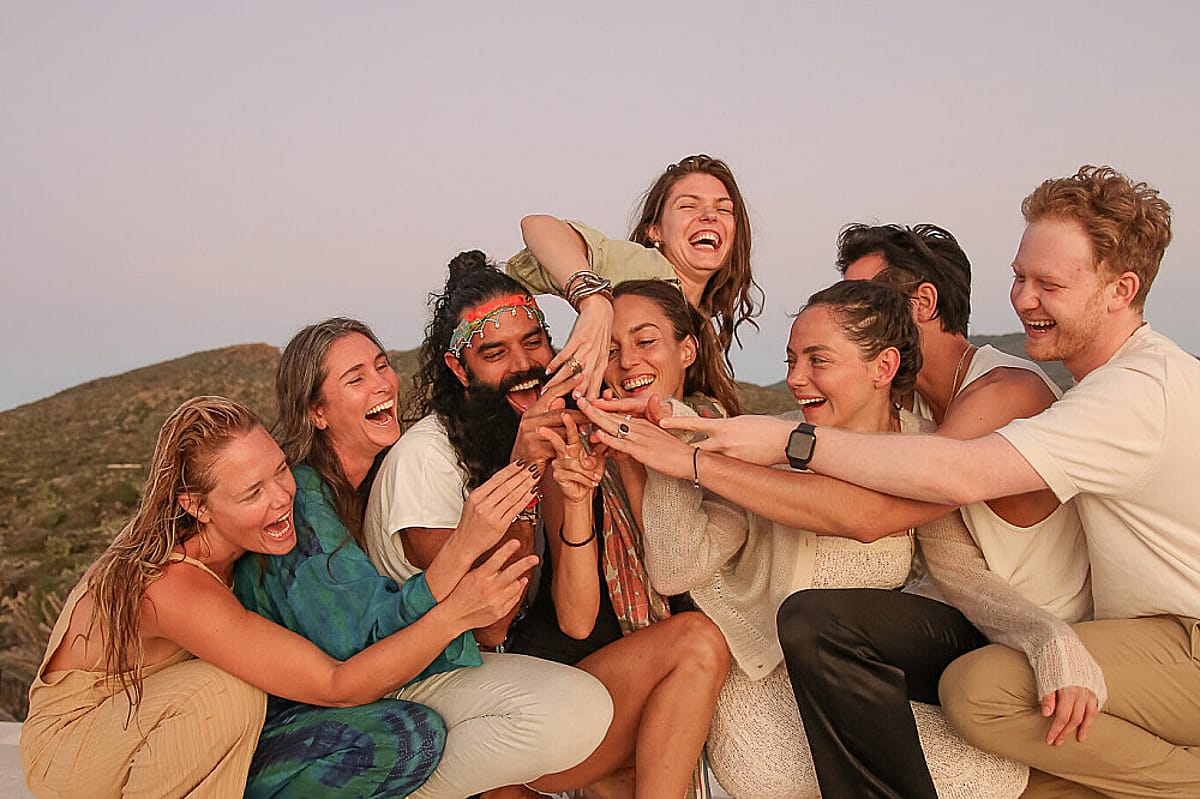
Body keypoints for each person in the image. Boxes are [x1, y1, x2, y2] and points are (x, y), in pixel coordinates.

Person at [666, 166, 1200, 798]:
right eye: (1018, 276)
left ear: (1121, 290)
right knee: (830, 628)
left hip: (1174, 638)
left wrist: (780, 445)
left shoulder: (1112, 391)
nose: (1023, 298)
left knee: (979, 696)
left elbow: (931, 484)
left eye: (1048, 283)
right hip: (1103, 633)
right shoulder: (946, 408)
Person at [581, 280, 1028, 798]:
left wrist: (1047, 642)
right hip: (765, 690)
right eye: (791, 359)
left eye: (817, 360)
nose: (794, 379)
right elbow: (679, 568)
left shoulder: (922, 452)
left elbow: (963, 576)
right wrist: (673, 443)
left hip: (862, 690)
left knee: (994, 774)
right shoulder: (759, 440)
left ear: (882, 369)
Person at [366, 260, 729, 798]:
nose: (524, 365)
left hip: (538, 679)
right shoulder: (430, 458)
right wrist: (530, 472)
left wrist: (596, 304)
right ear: (458, 368)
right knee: (696, 648)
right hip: (445, 693)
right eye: (494, 353)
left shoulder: (580, 429)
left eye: (534, 342)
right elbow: (486, 627)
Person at [767, 223, 1096, 798]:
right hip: (975, 617)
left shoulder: (1006, 389)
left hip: (1021, 629)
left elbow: (872, 515)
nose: (849, 313)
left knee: (818, 622)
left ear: (922, 302)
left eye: (866, 299)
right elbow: (951, 560)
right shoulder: (916, 407)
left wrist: (752, 450)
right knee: (814, 626)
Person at [234, 318, 612, 799]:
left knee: (576, 708)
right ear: (317, 412)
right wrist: (467, 544)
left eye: (381, 365)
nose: (381, 383)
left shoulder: (360, 482)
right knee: (564, 711)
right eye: (356, 379)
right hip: (314, 731)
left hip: (374, 696)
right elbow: (362, 646)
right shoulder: (302, 499)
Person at [19, 396, 449, 798]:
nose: (281, 498)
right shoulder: (171, 584)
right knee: (227, 693)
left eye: (280, 471)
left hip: (156, 725)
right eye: (252, 493)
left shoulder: (241, 542)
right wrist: (452, 616)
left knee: (407, 734)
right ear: (197, 506)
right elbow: (336, 684)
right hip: (75, 749)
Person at [508, 153, 760, 400]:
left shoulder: (701, 313)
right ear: (655, 230)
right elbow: (538, 226)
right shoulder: (639, 266)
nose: (709, 215)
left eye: (724, 209)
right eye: (688, 205)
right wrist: (592, 299)